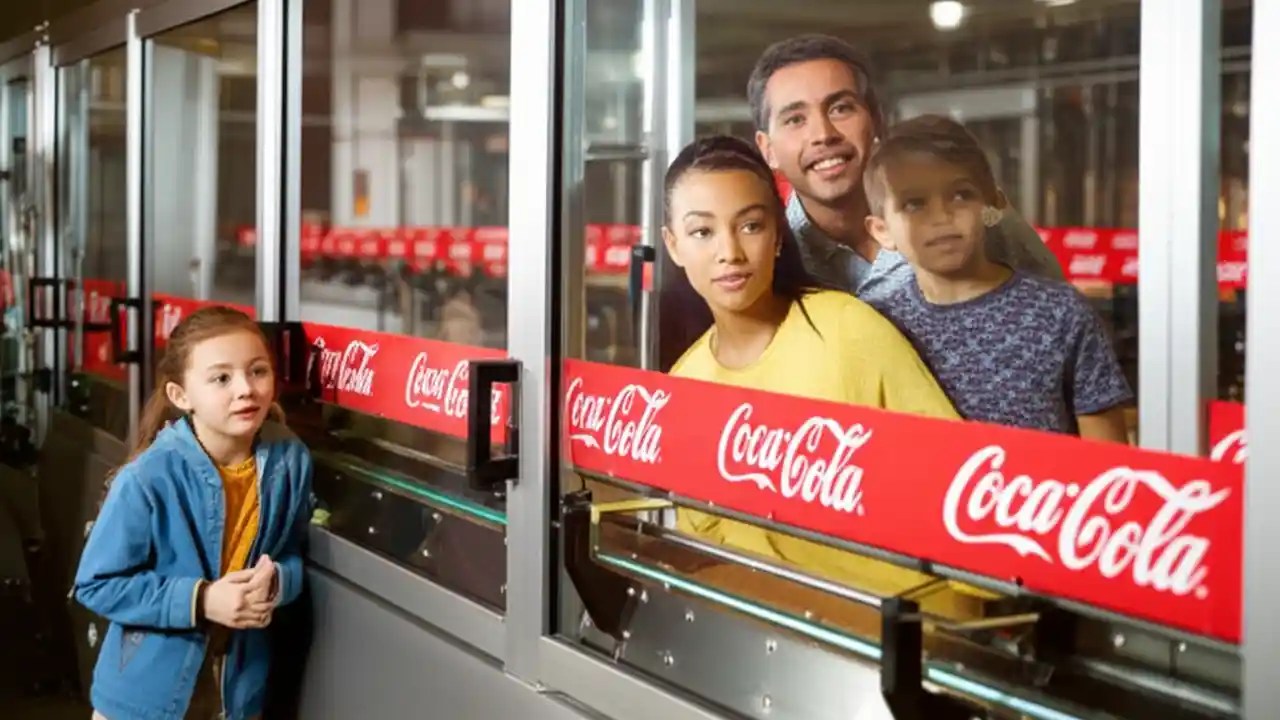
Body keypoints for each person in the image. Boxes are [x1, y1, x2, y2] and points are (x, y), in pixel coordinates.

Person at [662, 135, 988, 617]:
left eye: (750, 225)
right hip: (778, 637)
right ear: (673, 245)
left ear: (777, 236)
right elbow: (713, 555)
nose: (729, 251)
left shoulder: (847, 330)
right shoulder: (684, 387)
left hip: (909, 632)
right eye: (703, 232)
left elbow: (965, 497)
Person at [74, 307, 313, 720]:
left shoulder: (290, 458)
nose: (245, 389)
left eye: (258, 371)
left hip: (238, 692)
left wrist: (276, 583)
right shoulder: (148, 477)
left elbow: (292, 554)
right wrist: (202, 600)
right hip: (141, 701)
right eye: (221, 378)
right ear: (181, 396)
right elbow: (95, 585)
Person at [862, 115, 1132, 441]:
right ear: (882, 231)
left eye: (960, 195)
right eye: (914, 204)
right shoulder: (876, 322)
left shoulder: (1061, 313)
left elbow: (1107, 460)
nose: (941, 217)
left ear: (993, 204)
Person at [747, 34, 1064, 303]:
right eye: (795, 120)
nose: (823, 134)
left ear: (877, 120)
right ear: (768, 149)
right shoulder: (769, 262)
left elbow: (1063, 317)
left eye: (841, 108)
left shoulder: (967, 214)